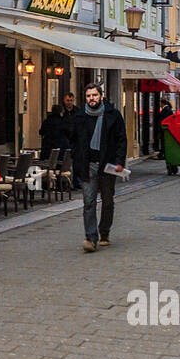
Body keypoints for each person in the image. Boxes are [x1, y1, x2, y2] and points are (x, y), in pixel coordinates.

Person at [70, 82, 126, 251]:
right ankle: (91, 238)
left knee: (107, 202)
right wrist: (77, 161)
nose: (91, 98)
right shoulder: (80, 116)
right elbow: (74, 141)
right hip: (88, 165)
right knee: (89, 202)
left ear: (101, 96)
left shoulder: (113, 115)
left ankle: (105, 232)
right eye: (88, 96)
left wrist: (119, 162)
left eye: (94, 95)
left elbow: (121, 140)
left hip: (107, 165)